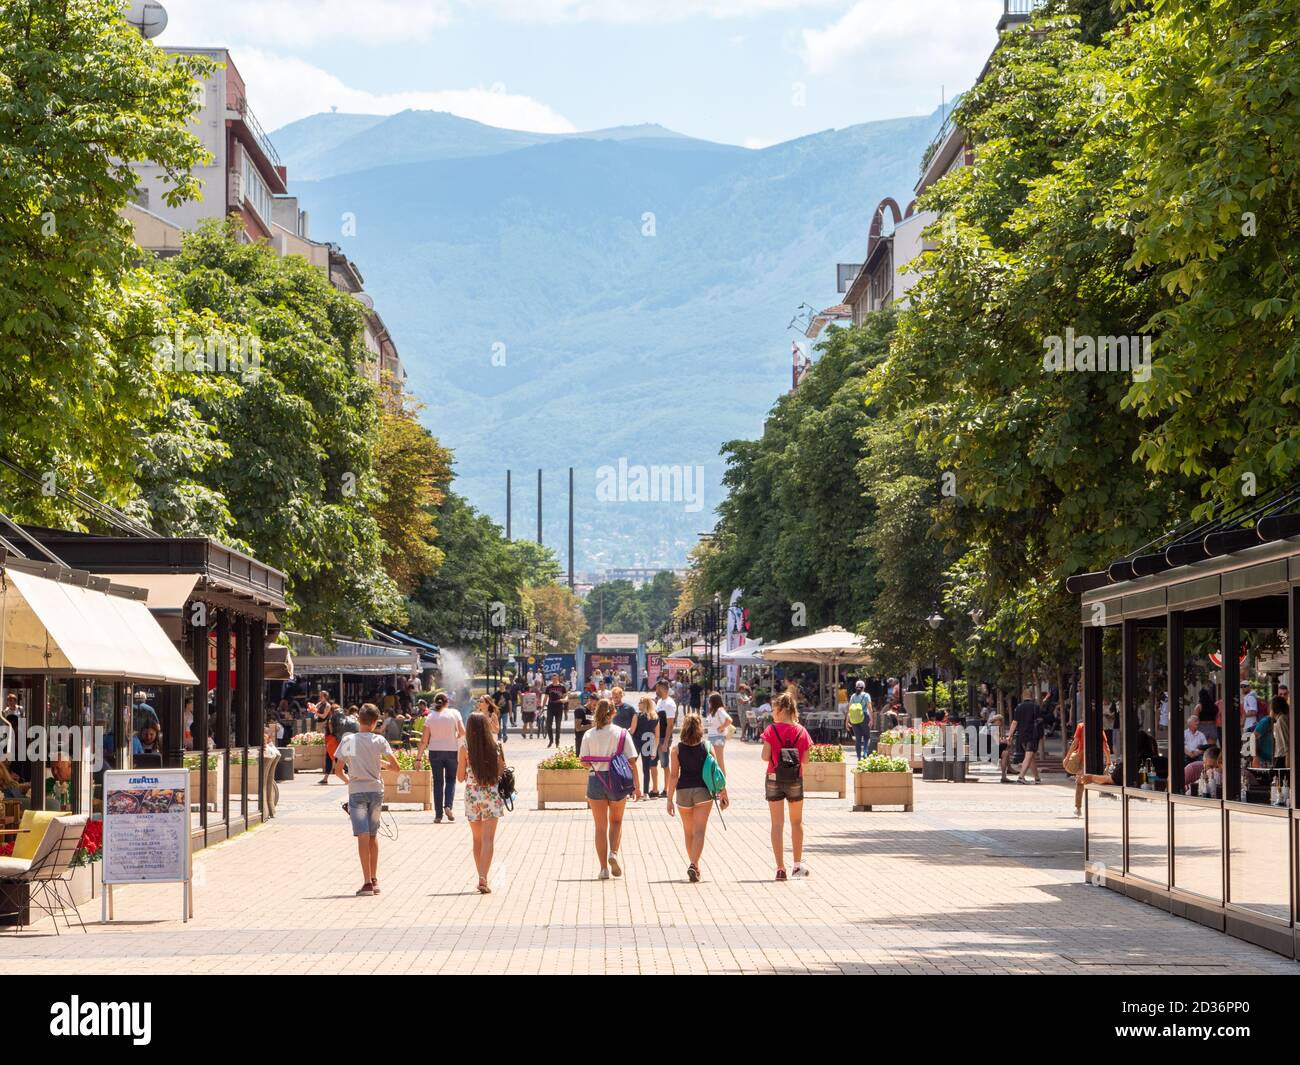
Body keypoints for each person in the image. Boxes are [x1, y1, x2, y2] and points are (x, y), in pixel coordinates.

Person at [334, 705, 400, 896]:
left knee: (362, 836)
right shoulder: (379, 740)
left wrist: (350, 782)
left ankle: (366, 883)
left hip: (357, 790)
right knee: (373, 835)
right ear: (374, 722)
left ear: (359, 720)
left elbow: (338, 770)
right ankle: (374, 879)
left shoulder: (349, 740)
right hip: (376, 790)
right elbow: (395, 768)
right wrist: (381, 763)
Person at [580, 698, 642, 879]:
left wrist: (597, 761)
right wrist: (637, 787)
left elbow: (584, 761)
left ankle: (603, 869)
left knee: (600, 827)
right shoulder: (622, 734)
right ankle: (613, 854)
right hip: (618, 782)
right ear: (614, 713)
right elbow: (632, 761)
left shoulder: (589, 734)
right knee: (616, 821)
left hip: (595, 780)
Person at [666, 712, 728, 883]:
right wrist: (723, 792)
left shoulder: (676, 749)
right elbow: (717, 772)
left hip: (683, 792)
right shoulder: (707, 746)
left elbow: (673, 775)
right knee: (700, 830)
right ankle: (694, 864)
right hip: (703, 792)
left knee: (688, 832)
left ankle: (694, 865)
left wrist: (669, 799)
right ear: (700, 728)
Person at [761, 693, 811, 881]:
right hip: (795, 780)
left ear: (781, 710)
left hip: (773, 777)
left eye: (774, 710)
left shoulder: (771, 730)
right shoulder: (802, 731)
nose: (772, 714)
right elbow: (805, 760)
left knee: (777, 824)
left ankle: (780, 868)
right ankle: (797, 865)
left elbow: (765, 757)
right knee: (796, 822)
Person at [458, 705, 507, 894]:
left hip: (472, 796)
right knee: (488, 839)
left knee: (477, 840)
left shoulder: (464, 748)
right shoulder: (495, 747)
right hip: (491, 795)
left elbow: (460, 777)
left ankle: (481, 875)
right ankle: (483, 878)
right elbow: (502, 770)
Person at [415, 693, 466, 824]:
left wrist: (418, 759)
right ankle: (448, 806)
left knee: (438, 783)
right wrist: (454, 735)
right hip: (451, 751)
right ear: (447, 702)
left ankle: (438, 815)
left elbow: (423, 740)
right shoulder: (454, 713)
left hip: (435, 752)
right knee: (450, 780)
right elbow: (462, 732)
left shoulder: (430, 716)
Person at [1066, 720, 1111, 815]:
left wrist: (1067, 756)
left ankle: (1078, 808)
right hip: (1095, 758)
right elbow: (1105, 746)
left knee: (1080, 782)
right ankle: (1104, 796)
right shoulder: (1099, 729)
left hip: (1082, 758)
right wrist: (1108, 762)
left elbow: (1075, 743)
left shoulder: (1081, 726)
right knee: (1097, 779)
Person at [1008, 687, 1042, 784]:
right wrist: (1041, 735)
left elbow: (1014, 722)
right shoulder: (1036, 707)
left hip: (1022, 736)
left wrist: (1010, 735)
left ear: (1023, 697)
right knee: (1029, 756)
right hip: (1032, 735)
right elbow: (1040, 722)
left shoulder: (1019, 707)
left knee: (1030, 757)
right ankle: (1021, 777)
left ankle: (1037, 778)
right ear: (1032, 696)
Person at [632, 695, 660, 800]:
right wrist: (654, 750)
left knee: (630, 766)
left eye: (640, 702)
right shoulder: (655, 717)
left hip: (636, 743)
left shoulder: (637, 715)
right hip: (648, 745)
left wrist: (626, 730)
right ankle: (646, 793)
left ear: (644, 704)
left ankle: (631, 790)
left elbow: (632, 731)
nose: (638, 704)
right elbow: (657, 735)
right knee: (646, 769)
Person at [654, 679, 678, 793]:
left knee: (665, 764)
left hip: (664, 737)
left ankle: (667, 788)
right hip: (656, 737)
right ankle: (656, 788)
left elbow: (670, 724)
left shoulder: (669, 703)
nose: (656, 690)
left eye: (657, 688)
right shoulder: (659, 701)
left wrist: (665, 743)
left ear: (663, 688)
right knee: (655, 763)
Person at [703, 692, 732, 776]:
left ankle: (722, 782)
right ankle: (717, 780)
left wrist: (721, 728)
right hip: (712, 737)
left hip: (718, 738)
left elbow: (729, 720)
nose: (708, 702)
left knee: (719, 761)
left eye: (710, 700)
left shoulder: (720, 710)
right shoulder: (713, 711)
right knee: (714, 760)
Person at [845, 680, 873, 761]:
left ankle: (858, 757)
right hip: (864, 717)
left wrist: (847, 722)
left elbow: (849, 710)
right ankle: (865, 753)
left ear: (856, 687)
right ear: (864, 687)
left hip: (854, 718)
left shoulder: (853, 696)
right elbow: (870, 708)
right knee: (867, 736)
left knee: (858, 738)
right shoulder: (866, 695)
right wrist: (871, 719)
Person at [544, 674, 567, 748]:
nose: (554, 680)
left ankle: (557, 741)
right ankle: (551, 740)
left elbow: (566, 695)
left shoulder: (562, 687)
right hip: (550, 707)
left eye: (555, 678)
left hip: (559, 708)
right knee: (548, 725)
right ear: (551, 679)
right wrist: (542, 706)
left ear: (558, 678)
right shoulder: (549, 687)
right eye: (553, 678)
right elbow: (545, 697)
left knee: (558, 726)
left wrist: (565, 699)